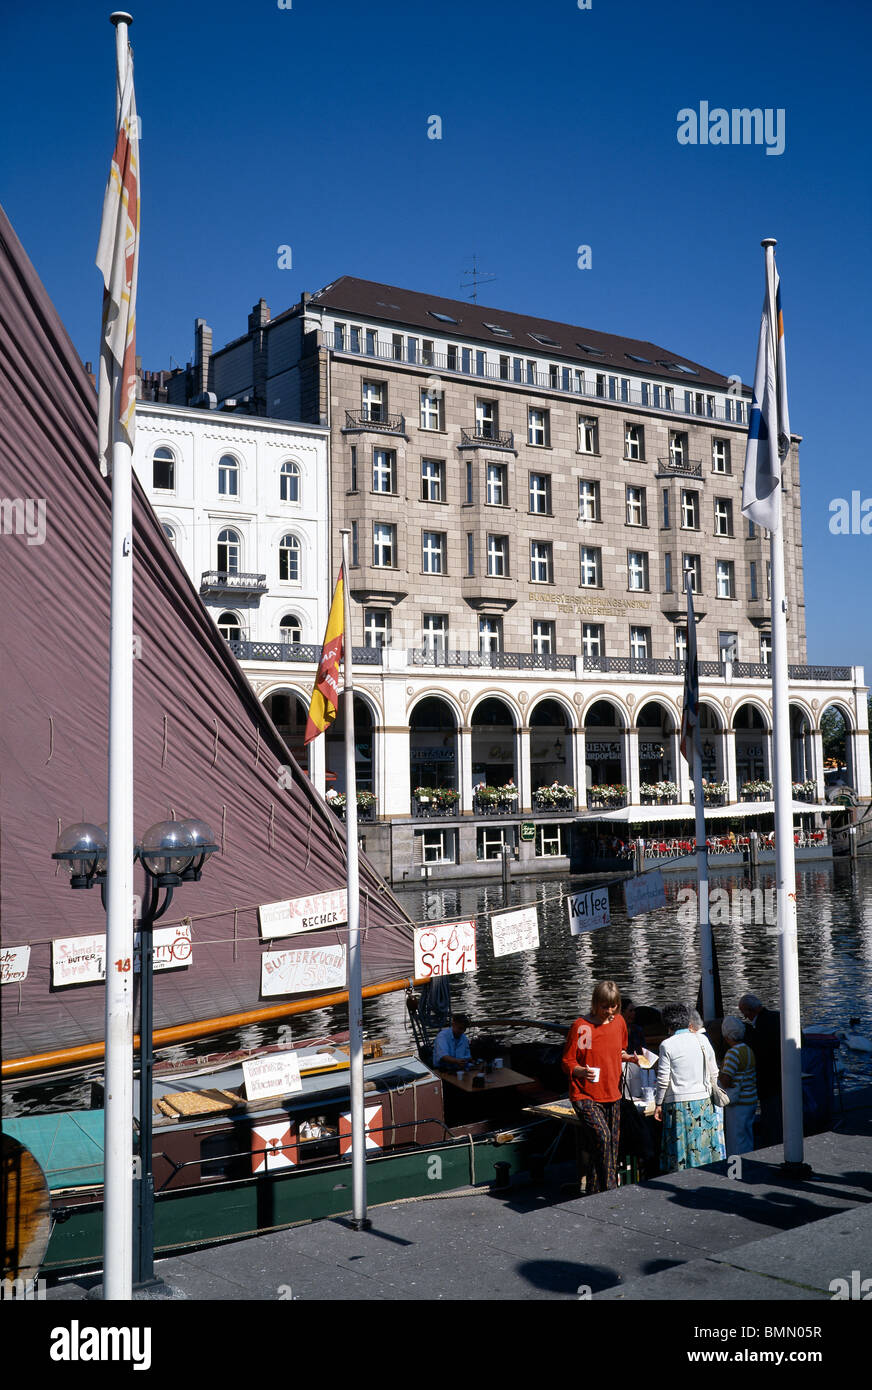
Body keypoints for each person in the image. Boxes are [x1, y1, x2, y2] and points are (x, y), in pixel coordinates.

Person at [562, 980, 639, 1194]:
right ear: (596, 1003)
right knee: (604, 1139)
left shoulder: (620, 1023)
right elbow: (568, 1061)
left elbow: (617, 1052)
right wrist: (581, 1071)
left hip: (612, 1092)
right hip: (584, 1093)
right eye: (605, 1006)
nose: (609, 1011)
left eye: (613, 1006)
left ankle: (595, 1193)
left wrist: (630, 1059)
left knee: (609, 1146)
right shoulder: (582, 1027)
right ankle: (611, 1189)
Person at [655, 1002, 726, 1171]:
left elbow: (663, 1079)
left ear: (668, 1025)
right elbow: (714, 1071)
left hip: (678, 1105)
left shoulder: (667, 1045)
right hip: (703, 1102)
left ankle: (682, 1180)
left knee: (681, 1152)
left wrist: (658, 1103)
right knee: (704, 1149)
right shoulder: (702, 1039)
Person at [738, 993, 782, 1144]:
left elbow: (759, 1052)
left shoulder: (757, 1028)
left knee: (770, 1115)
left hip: (767, 1079)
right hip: (786, 1073)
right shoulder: (779, 1016)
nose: (744, 1016)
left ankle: (772, 1142)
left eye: (744, 1013)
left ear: (748, 1011)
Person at [719, 1014, 758, 1156]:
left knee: (736, 1140)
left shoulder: (733, 1053)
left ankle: (736, 1170)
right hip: (751, 1099)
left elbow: (726, 1080)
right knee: (747, 1136)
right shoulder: (747, 1050)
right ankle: (749, 1163)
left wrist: (718, 1073)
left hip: (738, 1103)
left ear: (726, 1034)